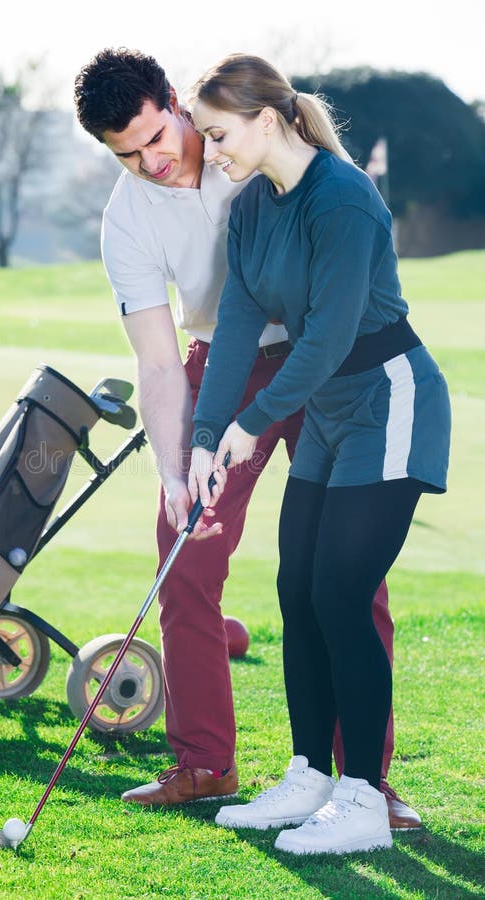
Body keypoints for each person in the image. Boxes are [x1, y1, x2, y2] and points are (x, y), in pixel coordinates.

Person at [73, 48, 420, 830]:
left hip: (326, 364)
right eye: (125, 154)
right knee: (184, 552)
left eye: (157, 137)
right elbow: (160, 360)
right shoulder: (126, 218)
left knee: (348, 567)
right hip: (223, 367)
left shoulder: (250, 144)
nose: (151, 161)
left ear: (174, 103)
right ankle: (204, 762)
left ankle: (366, 781)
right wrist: (174, 469)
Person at [187, 54, 450, 855]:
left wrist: (253, 422)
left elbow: (331, 334)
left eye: (219, 133)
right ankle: (308, 775)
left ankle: (364, 797)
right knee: (296, 589)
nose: (213, 150)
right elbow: (235, 328)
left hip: (389, 399)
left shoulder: (344, 198)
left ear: (267, 121)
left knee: (341, 592)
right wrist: (206, 437)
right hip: (330, 410)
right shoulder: (252, 208)